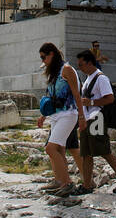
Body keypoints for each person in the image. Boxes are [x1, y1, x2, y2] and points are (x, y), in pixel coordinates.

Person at [74, 49, 116, 194]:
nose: (79, 68)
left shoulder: (101, 78)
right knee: (86, 153)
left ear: (89, 63)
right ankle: (87, 185)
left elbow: (109, 98)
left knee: (103, 150)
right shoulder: (88, 79)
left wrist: (91, 102)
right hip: (88, 119)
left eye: (81, 64)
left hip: (97, 118)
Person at [36, 42, 84, 197]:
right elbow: (51, 95)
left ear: (52, 54)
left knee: (50, 148)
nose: (43, 61)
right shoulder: (53, 72)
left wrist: (82, 117)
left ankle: (67, 183)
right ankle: (60, 180)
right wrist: (44, 115)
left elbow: (77, 94)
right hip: (56, 114)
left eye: (44, 57)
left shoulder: (67, 70)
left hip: (68, 114)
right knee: (59, 149)